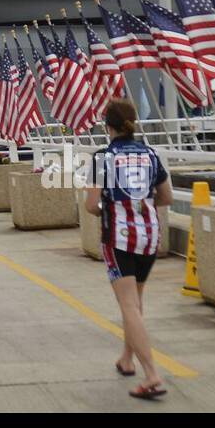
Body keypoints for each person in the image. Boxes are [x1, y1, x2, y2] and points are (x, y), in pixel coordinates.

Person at [83, 98, 173, 399]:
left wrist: (109, 207)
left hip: (118, 239)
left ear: (107, 126)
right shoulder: (151, 154)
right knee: (135, 303)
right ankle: (127, 358)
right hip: (149, 238)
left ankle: (152, 375)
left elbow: (91, 206)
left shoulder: (102, 159)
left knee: (129, 307)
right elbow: (166, 197)